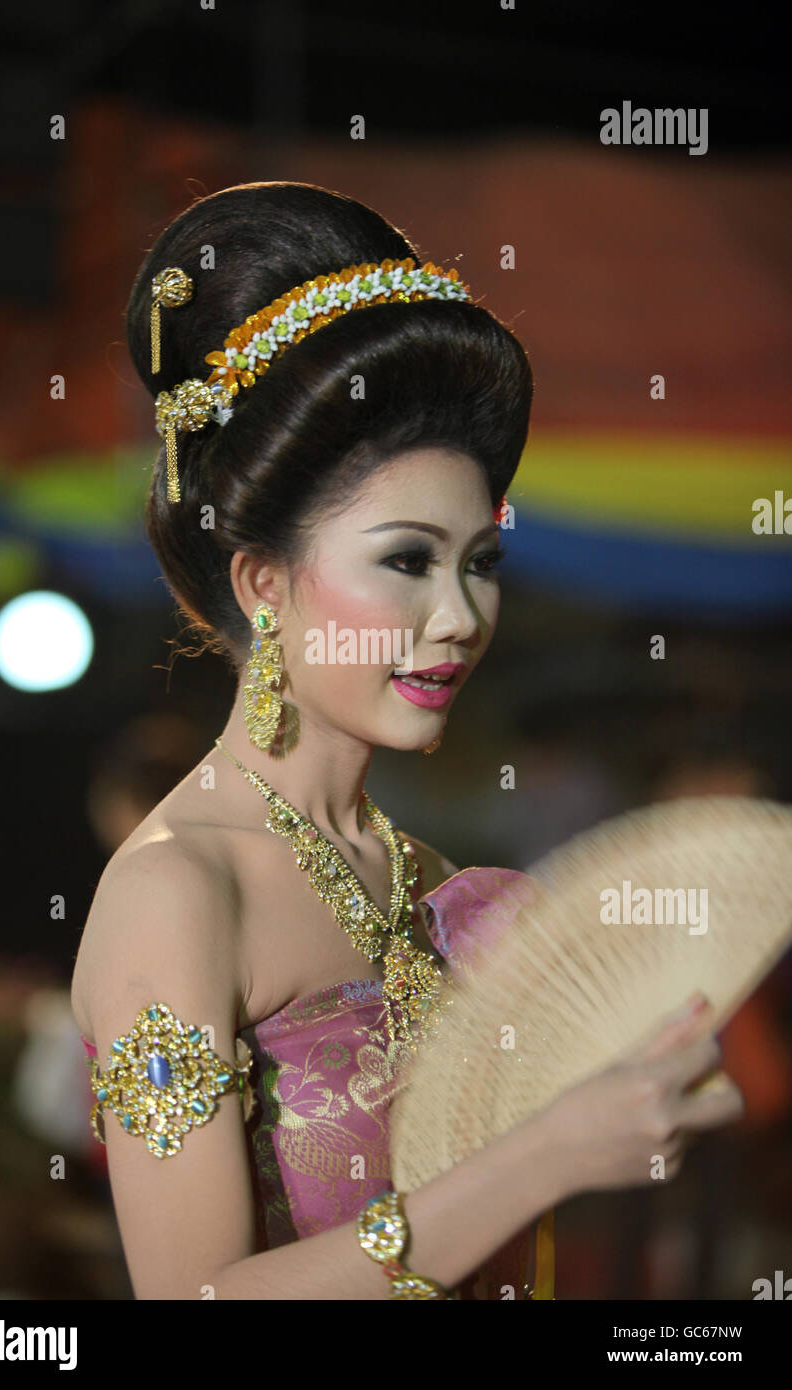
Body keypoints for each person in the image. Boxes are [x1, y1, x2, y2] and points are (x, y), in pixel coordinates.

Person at [70, 181, 743, 1300]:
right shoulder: (176, 889)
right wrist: (546, 1152)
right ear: (263, 581)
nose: (461, 616)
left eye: (479, 561)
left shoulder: (421, 880)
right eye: (406, 560)